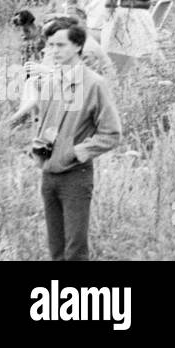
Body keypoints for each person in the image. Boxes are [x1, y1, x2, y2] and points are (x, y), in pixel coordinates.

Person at [24, 17, 121, 261]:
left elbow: (111, 133)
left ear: (78, 46)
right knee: (56, 250)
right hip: (49, 175)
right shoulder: (49, 82)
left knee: (75, 251)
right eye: (51, 45)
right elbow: (49, 127)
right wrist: (40, 152)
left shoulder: (94, 84)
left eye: (61, 45)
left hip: (75, 177)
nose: (53, 51)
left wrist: (77, 152)